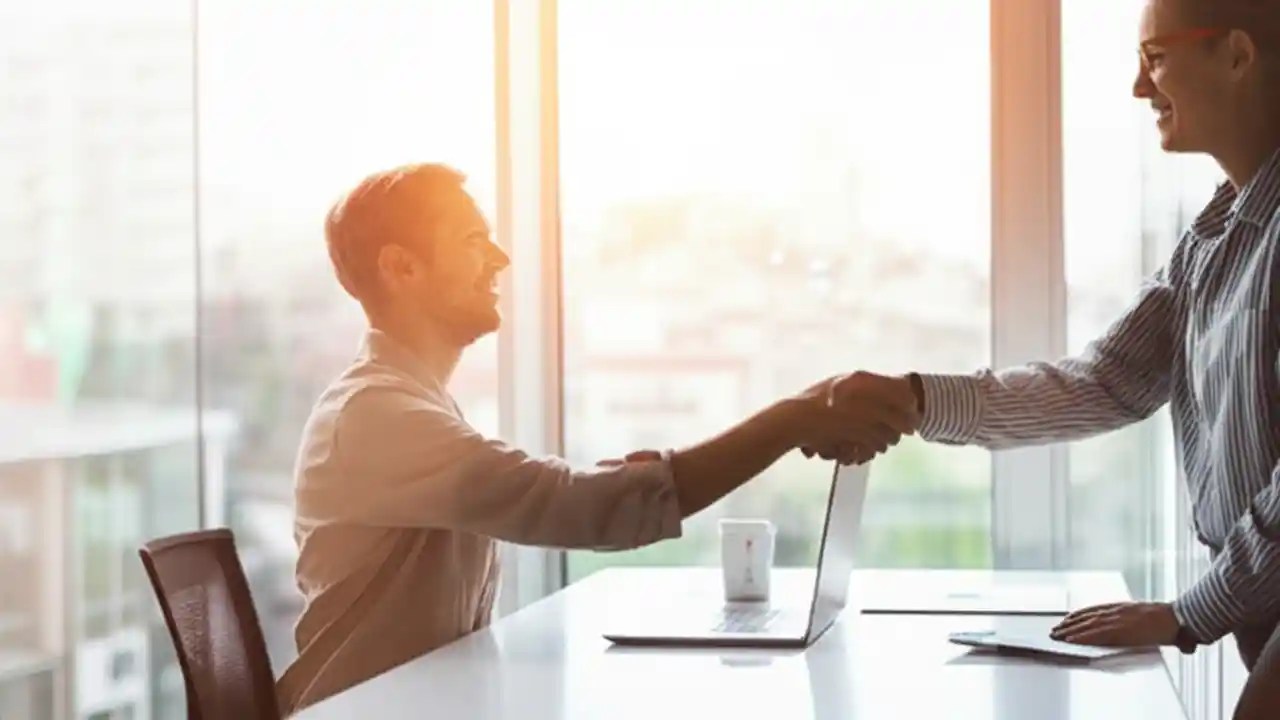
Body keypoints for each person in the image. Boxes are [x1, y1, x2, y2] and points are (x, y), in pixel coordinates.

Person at [275, 163, 919, 713]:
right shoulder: (375, 417)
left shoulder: (411, 405)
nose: (498, 258)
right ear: (401, 268)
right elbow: (577, 507)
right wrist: (791, 419)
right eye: (475, 239)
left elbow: (571, 493)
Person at [817, 0, 1280, 715]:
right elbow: (1108, 380)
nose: (1137, 88)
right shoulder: (1218, 234)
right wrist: (915, 401)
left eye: (1155, 58)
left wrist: (1189, 611)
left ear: (1239, 56)